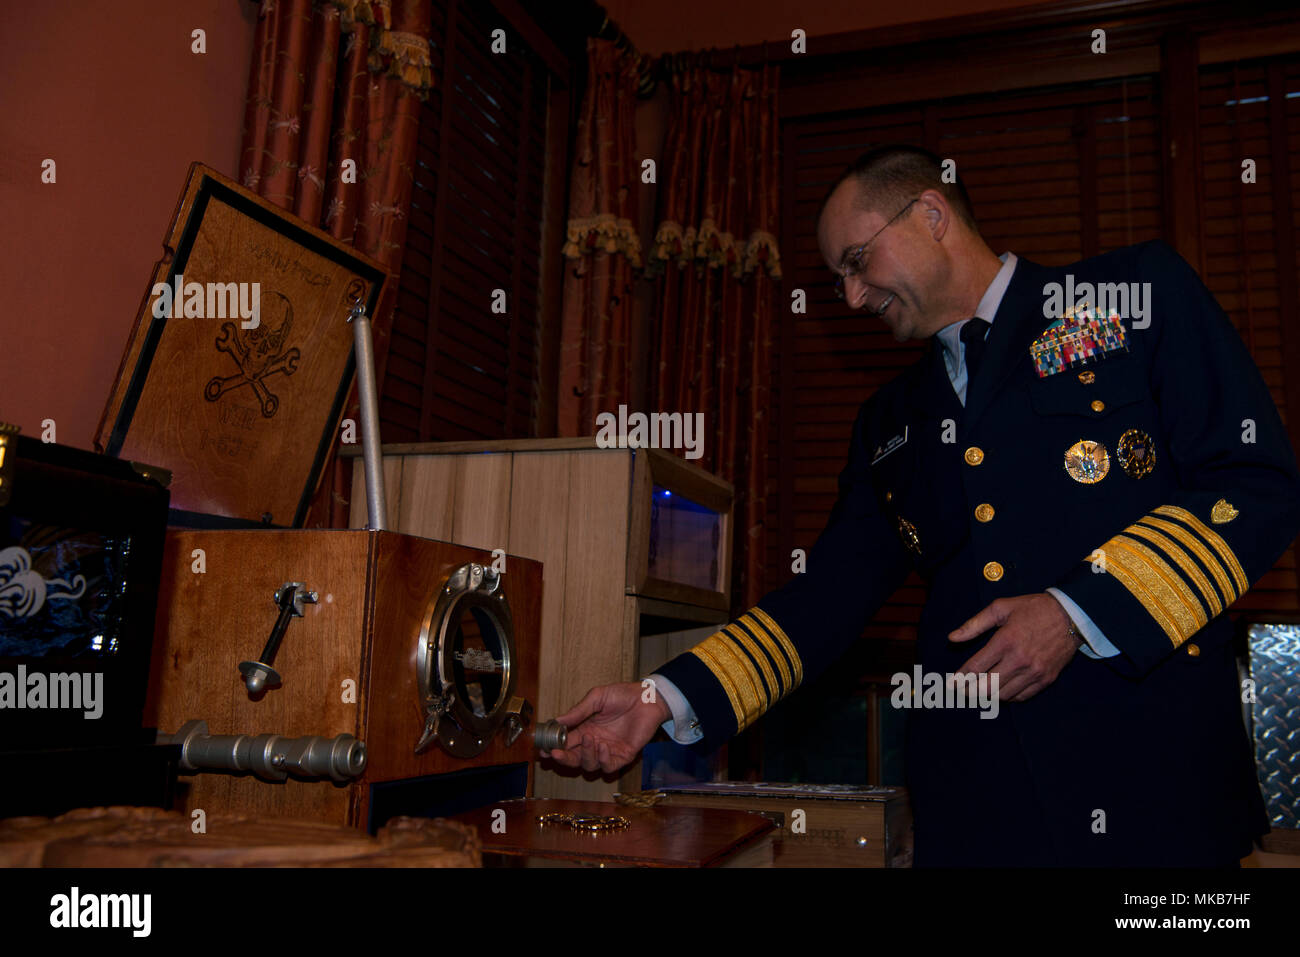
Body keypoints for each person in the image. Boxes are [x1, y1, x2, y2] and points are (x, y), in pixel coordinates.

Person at [543, 145, 1300, 866]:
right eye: (838, 276)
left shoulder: (1130, 297)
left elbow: (1252, 485)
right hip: (976, 807)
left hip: (1155, 791)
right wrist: (661, 695)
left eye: (856, 262)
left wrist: (1077, 611)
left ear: (930, 214)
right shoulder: (888, 420)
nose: (850, 296)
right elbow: (827, 597)